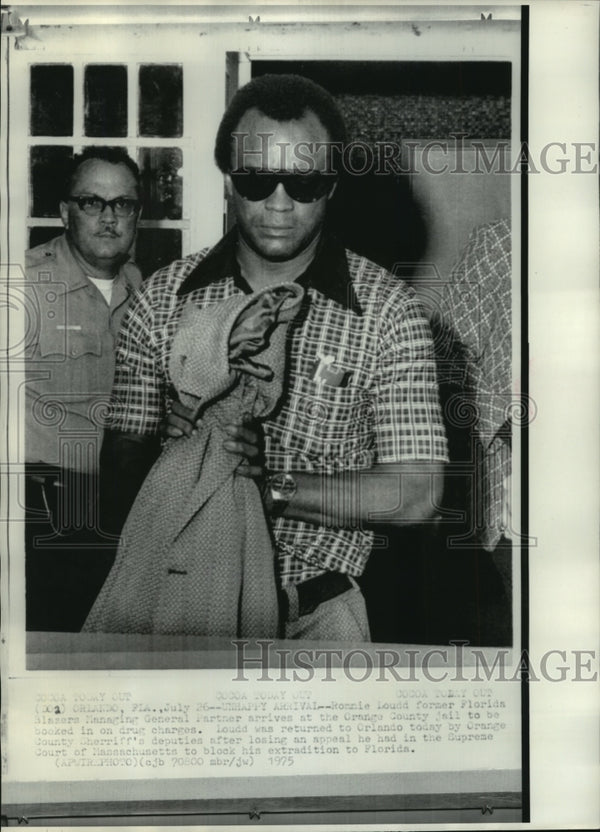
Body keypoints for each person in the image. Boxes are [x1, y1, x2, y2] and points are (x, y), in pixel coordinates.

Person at [101, 74, 448, 641]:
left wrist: (276, 485)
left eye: (304, 182)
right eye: (258, 179)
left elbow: (419, 492)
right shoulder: (161, 301)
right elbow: (115, 481)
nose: (279, 203)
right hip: (179, 606)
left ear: (332, 184)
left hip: (315, 618)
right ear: (228, 182)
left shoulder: (389, 312)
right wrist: (175, 448)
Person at [24, 147, 142, 631]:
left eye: (124, 204)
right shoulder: (25, 286)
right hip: (43, 508)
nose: (109, 218)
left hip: (121, 506)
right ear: (65, 212)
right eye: (92, 202)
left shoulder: (142, 288)